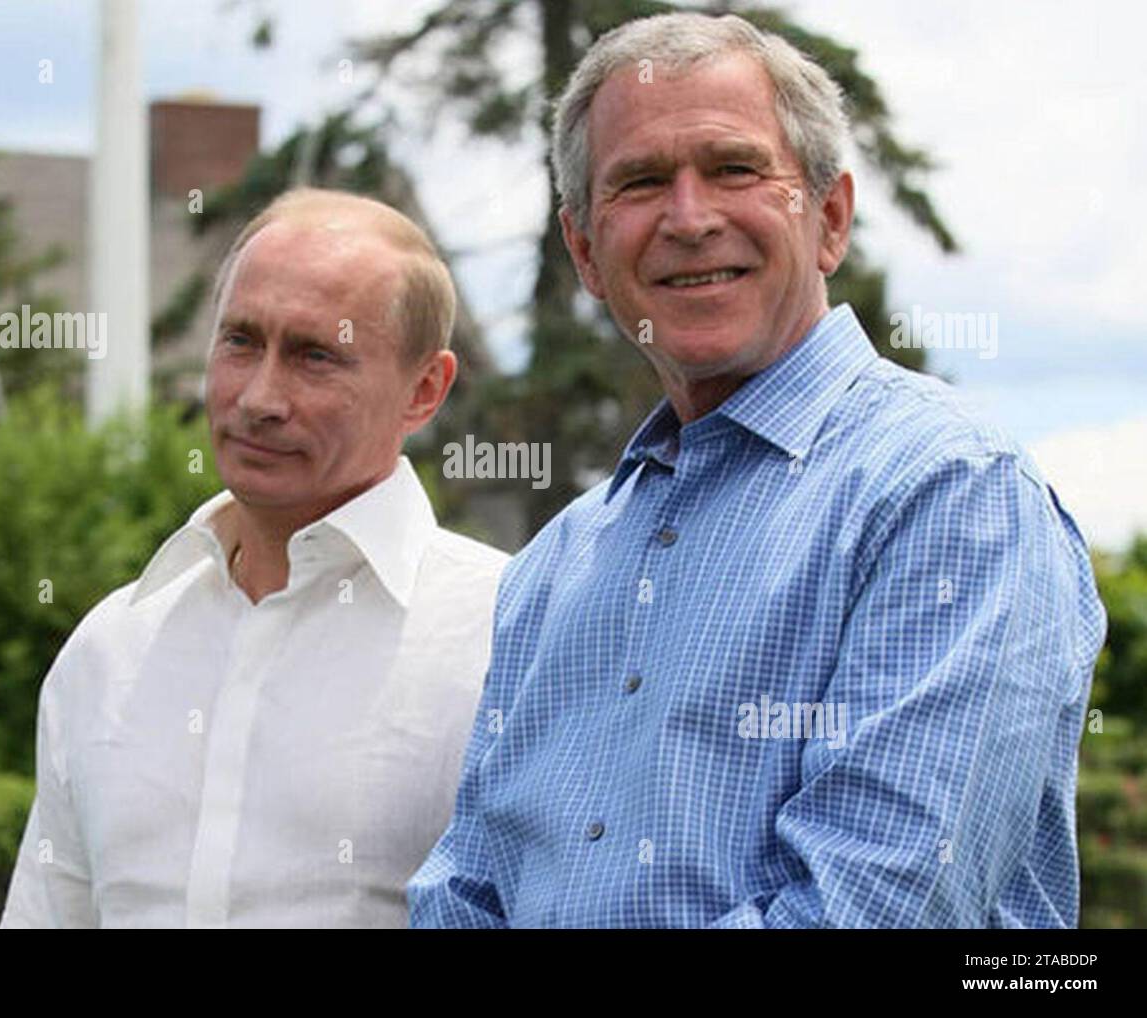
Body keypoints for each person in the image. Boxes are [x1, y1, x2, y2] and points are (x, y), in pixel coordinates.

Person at [409, 12, 1105, 928]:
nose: (690, 219)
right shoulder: (554, 566)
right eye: (642, 181)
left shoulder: (950, 495)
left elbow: (883, 907)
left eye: (735, 169)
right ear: (584, 251)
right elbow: (463, 892)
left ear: (830, 218)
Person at [0, 188, 508, 927]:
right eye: (240, 341)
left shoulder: (508, 635)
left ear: (424, 390)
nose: (260, 398)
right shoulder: (112, 648)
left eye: (315, 356)